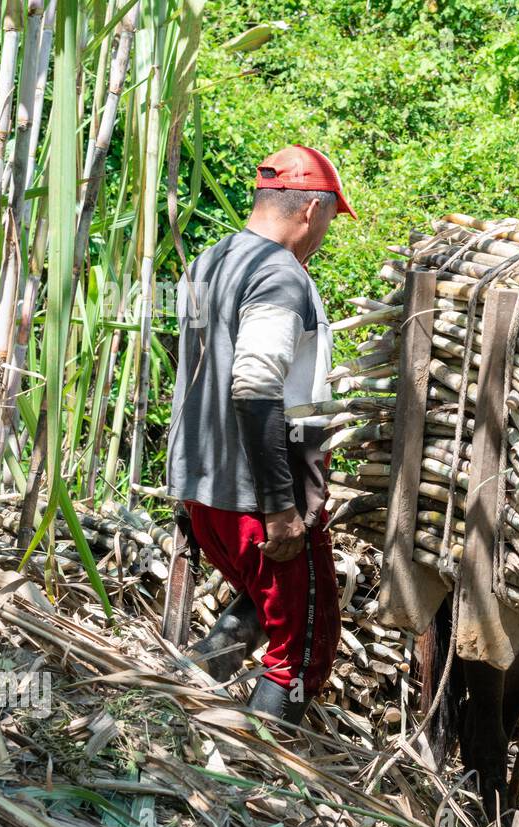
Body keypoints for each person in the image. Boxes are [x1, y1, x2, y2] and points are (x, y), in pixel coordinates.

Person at [166, 145, 356, 725]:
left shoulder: (208, 262)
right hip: (260, 503)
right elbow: (252, 387)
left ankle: (170, 707)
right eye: (328, 219)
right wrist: (281, 507)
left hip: (206, 493)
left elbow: (193, 368)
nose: (325, 232)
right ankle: (254, 783)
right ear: (309, 211)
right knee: (300, 651)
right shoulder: (278, 274)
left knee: (259, 604)